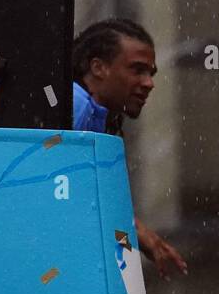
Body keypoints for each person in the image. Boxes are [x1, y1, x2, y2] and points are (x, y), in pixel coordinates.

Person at [73, 19, 188, 280]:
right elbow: (69, 197)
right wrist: (133, 231)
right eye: (137, 70)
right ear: (98, 67)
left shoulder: (99, 115)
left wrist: (132, 230)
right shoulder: (76, 104)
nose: (149, 83)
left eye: (150, 73)